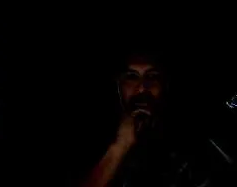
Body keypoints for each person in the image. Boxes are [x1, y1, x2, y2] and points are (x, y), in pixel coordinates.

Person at [81, 52, 227, 187]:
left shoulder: (190, 140)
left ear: (164, 85)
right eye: (132, 77)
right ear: (118, 85)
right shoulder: (95, 137)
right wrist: (120, 145)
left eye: (152, 76)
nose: (142, 88)